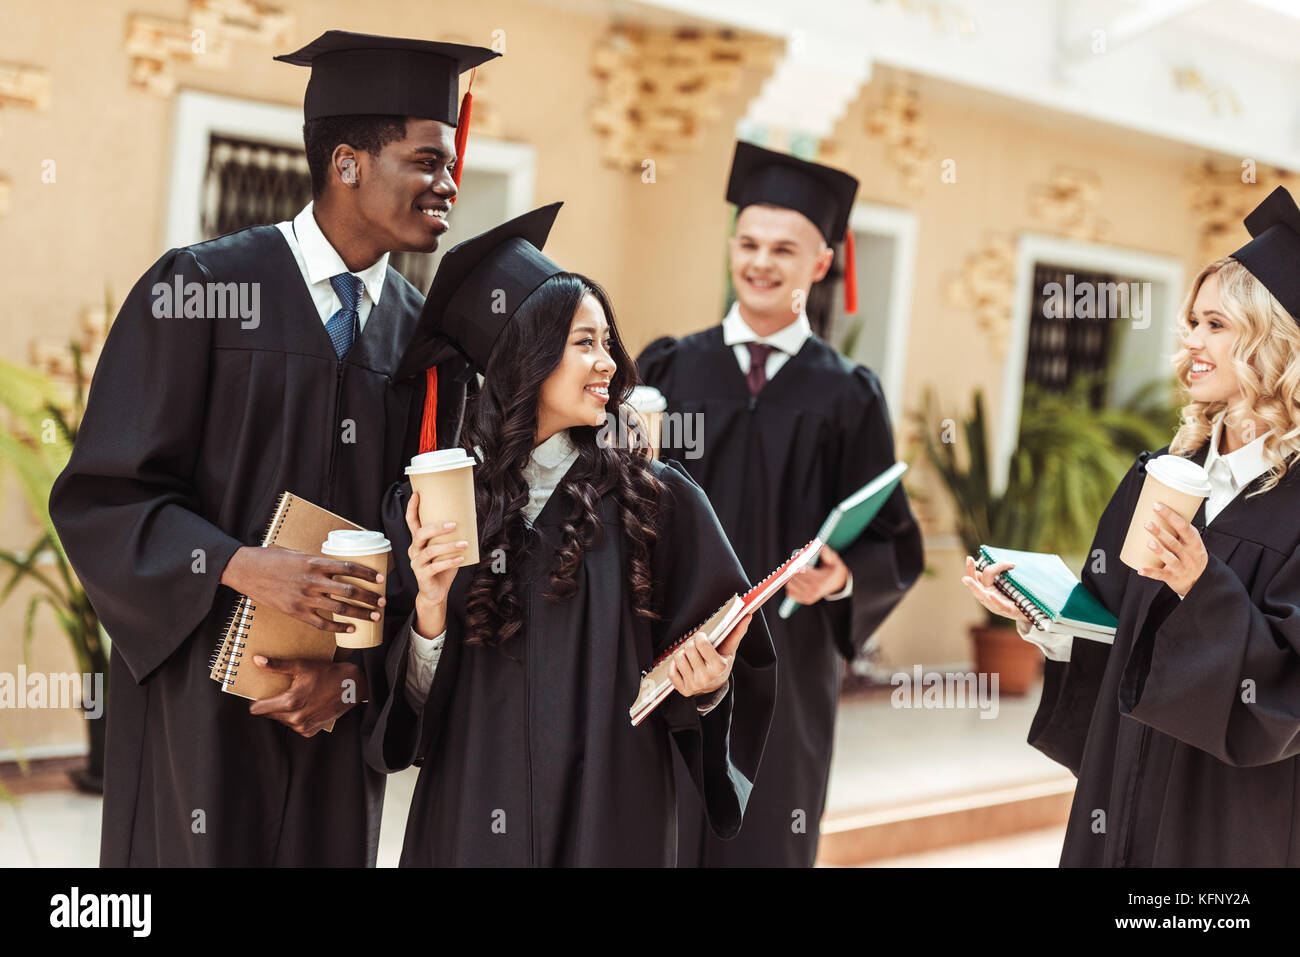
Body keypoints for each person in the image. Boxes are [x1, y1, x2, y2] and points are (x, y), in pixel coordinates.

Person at [47, 30, 499, 866]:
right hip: (201, 705)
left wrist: (353, 682)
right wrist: (237, 563)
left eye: (451, 164)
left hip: (332, 721)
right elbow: (105, 497)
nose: (449, 184)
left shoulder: (421, 343)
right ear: (348, 162)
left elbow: (418, 551)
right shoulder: (204, 291)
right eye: (428, 160)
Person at [362, 205, 777, 866]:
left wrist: (711, 685)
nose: (609, 362)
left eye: (608, 341)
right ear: (524, 358)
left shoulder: (657, 499)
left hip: (612, 818)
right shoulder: (440, 509)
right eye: (585, 342)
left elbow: (732, 661)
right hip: (471, 818)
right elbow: (403, 725)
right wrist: (431, 609)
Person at [963, 185, 1300, 866]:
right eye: (1191, 323)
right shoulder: (1161, 475)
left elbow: (1288, 689)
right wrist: (1041, 616)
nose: (1192, 342)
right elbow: (1116, 636)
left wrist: (1203, 587)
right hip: (1118, 793)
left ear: (1273, 343)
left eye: (1216, 325)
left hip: (1229, 821)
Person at [637, 142, 924, 867]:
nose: (760, 263)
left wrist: (840, 574)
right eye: (749, 244)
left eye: (783, 250)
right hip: (675, 645)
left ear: (821, 263)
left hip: (786, 665)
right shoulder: (670, 368)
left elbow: (893, 536)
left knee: (768, 831)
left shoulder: (848, 394)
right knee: (655, 825)